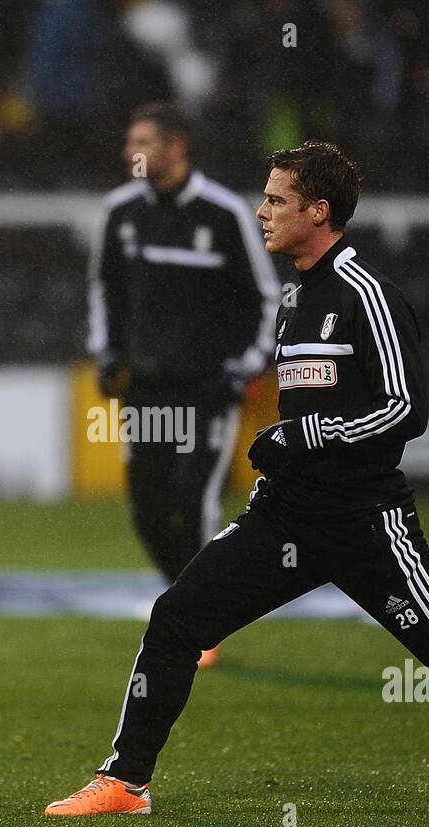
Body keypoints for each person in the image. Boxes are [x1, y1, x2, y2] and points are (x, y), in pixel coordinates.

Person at [46, 141, 429, 817]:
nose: (262, 210)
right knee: (178, 616)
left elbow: (405, 409)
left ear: (319, 211)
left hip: (365, 524)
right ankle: (126, 782)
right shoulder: (296, 297)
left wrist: (306, 434)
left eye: (277, 199)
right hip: (284, 519)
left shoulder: (368, 295)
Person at [87, 102, 280, 668]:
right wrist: (107, 354)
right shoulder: (119, 211)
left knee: (192, 500)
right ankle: (201, 604)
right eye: (129, 141)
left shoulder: (225, 213)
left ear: (176, 148)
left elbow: (266, 296)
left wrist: (246, 364)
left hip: (206, 389)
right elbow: (104, 290)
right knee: (147, 509)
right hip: (145, 387)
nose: (131, 152)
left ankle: (196, 626)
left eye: (142, 141)